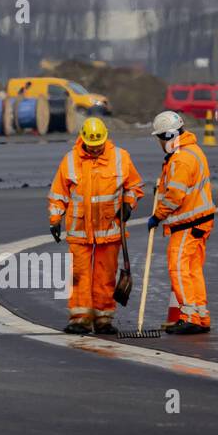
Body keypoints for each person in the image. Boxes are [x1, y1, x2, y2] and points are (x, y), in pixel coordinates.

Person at [47, 116, 144, 335]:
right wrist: (55, 220)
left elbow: (134, 186)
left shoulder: (121, 157)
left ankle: (103, 319)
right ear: (83, 141)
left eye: (98, 145)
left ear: (105, 140)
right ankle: (80, 318)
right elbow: (58, 194)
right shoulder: (70, 160)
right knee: (80, 275)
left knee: (105, 276)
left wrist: (129, 204)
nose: (95, 149)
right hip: (80, 230)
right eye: (91, 146)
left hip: (109, 229)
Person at [149, 110, 216, 334]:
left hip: (188, 223)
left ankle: (190, 316)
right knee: (193, 269)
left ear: (168, 137)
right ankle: (200, 315)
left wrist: (157, 216)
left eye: (159, 138)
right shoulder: (191, 151)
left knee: (178, 268)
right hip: (199, 222)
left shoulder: (182, 159)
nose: (159, 143)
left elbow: (175, 196)